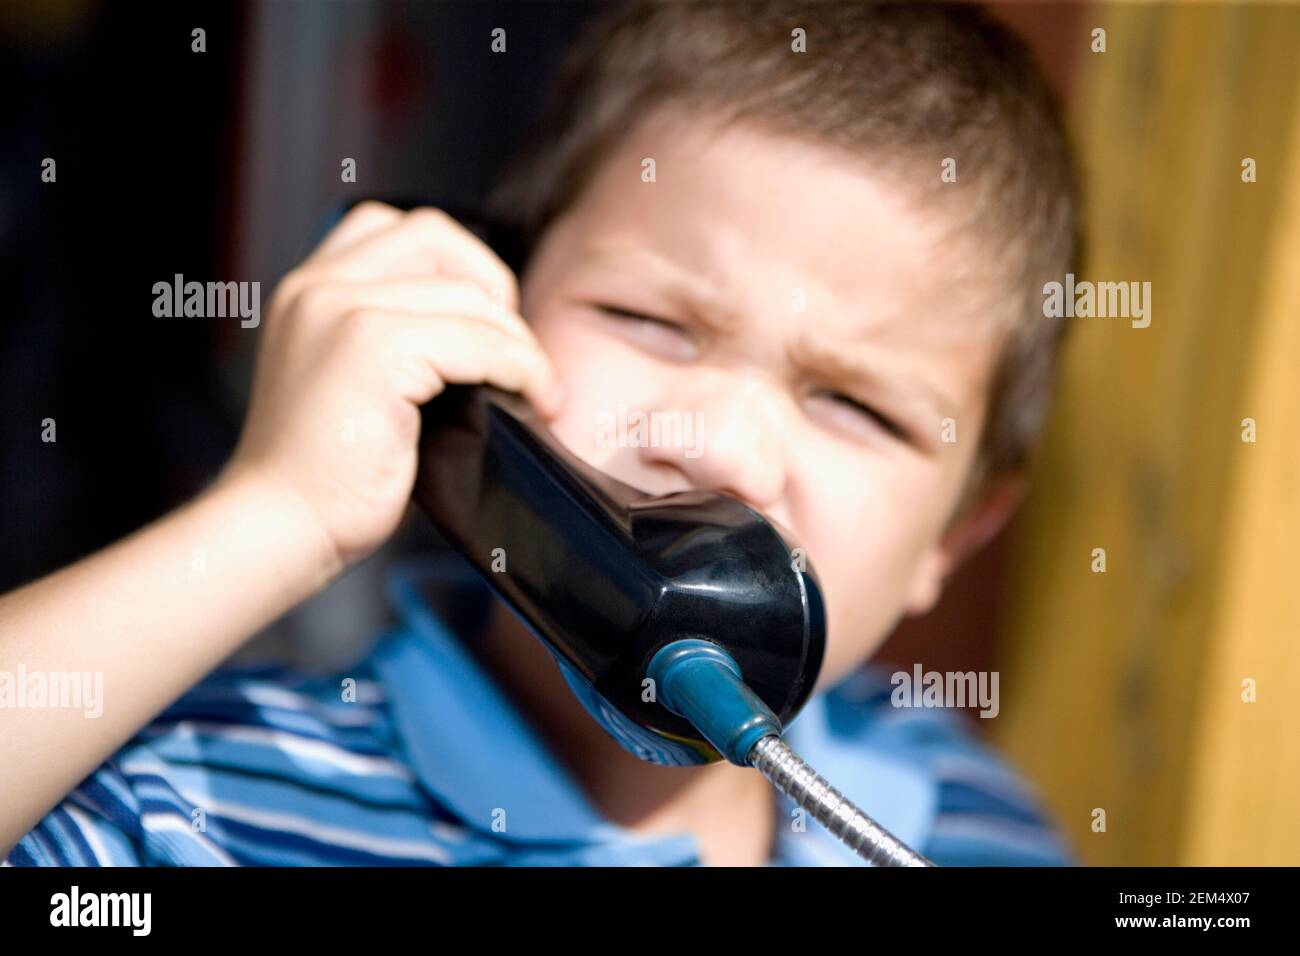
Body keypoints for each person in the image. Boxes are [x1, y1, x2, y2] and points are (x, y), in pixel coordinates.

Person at [2, 1, 1079, 866]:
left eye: (858, 406)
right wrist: (277, 512)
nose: (724, 451)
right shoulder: (196, 800)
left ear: (955, 534)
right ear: (478, 318)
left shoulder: (965, 820)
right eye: (650, 321)